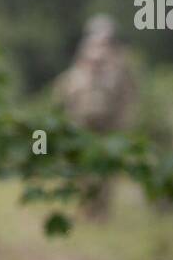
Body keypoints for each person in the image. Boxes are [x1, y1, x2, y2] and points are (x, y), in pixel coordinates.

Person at [53, 15, 137, 217]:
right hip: (82, 125)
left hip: (108, 128)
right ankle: (85, 209)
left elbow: (126, 99)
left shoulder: (120, 67)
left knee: (106, 172)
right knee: (84, 170)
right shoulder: (79, 67)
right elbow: (65, 94)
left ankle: (101, 212)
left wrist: (123, 126)